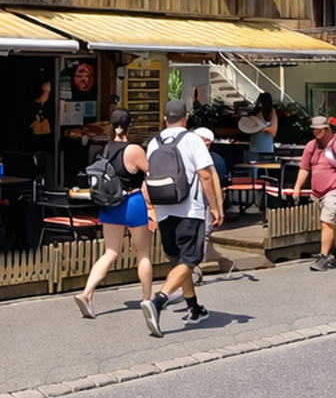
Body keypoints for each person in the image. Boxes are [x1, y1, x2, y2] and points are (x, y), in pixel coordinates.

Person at [139, 99, 222, 337]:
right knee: (191, 259)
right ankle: (158, 301)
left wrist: (152, 209)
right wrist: (214, 207)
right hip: (189, 208)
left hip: (164, 207)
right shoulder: (192, 140)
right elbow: (206, 175)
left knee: (178, 259)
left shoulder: (153, 143)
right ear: (186, 118)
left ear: (165, 118)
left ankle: (194, 308)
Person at [72, 110, 153, 318]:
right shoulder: (134, 150)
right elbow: (150, 173)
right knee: (143, 253)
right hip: (133, 202)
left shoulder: (106, 149)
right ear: (130, 126)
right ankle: (147, 299)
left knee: (110, 252)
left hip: (110, 204)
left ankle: (87, 293)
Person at [289, 115, 336, 271]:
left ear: (327, 129)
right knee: (330, 223)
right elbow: (304, 168)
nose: (316, 133)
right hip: (318, 192)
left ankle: (323, 258)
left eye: (319, 130)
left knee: (326, 222)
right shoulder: (311, 146)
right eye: (314, 130)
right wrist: (297, 187)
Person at [192, 127, 237, 275]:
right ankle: (195, 263)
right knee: (201, 232)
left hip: (200, 201)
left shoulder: (213, 161)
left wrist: (217, 207)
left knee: (204, 231)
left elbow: (220, 187)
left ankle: (194, 265)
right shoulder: (211, 159)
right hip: (194, 201)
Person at [244, 93, 279, 160]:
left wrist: (263, 128)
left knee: (264, 169)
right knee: (253, 169)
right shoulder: (254, 113)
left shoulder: (271, 113)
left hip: (266, 150)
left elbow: (273, 131)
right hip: (254, 149)